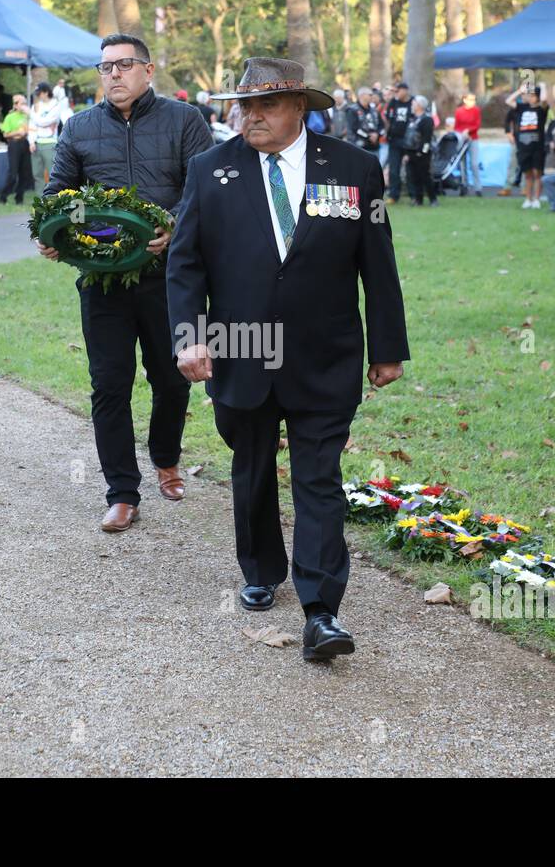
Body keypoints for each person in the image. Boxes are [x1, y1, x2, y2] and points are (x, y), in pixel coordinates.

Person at [167, 56, 409, 662]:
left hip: (325, 353)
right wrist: (189, 336)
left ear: (300, 107)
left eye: (266, 105)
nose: (251, 116)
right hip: (240, 349)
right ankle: (260, 568)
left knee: (319, 478)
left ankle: (321, 611)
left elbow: (378, 262)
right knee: (251, 468)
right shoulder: (210, 169)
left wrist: (387, 347)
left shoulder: (355, 169)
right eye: (244, 106)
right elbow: (186, 263)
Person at [39, 33, 213, 532]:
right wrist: (56, 233)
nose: (113, 74)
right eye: (105, 67)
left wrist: (173, 226)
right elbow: (59, 194)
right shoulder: (79, 127)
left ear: (148, 70)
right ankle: (121, 492)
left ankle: (166, 458)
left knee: (172, 379)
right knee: (109, 386)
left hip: (171, 279)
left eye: (124, 64)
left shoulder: (185, 120)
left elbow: (205, 190)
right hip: (104, 281)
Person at [507, 84, 548, 208]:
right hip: (523, 147)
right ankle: (528, 199)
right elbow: (508, 101)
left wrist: (543, 87)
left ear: (537, 97)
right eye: (529, 95)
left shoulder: (541, 109)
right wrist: (520, 91)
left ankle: (536, 199)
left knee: (537, 173)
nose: (530, 98)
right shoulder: (522, 107)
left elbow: (544, 100)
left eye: (533, 96)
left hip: (537, 147)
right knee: (527, 174)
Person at [28, 82, 63, 190]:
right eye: (37, 94)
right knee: (37, 174)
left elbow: (44, 122)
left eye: (39, 93)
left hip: (50, 143)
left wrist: (31, 114)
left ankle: (55, 196)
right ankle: (40, 197)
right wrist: (31, 142)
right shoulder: (36, 106)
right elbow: (32, 125)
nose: (38, 96)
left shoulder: (56, 105)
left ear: (46, 92)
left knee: (53, 173)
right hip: (36, 143)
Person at [0, 92, 31, 204]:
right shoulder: (10, 117)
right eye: (22, 103)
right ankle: (3, 196)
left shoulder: (27, 116)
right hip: (14, 144)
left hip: (25, 143)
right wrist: (17, 132)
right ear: (16, 105)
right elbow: (6, 134)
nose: (24, 106)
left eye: (25, 103)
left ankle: (19, 198)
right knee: (13, 173)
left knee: (24, 173)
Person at [404, 95, 438, 206]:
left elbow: (427, 138)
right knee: (414, 177)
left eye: (413, 103)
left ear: (419, 105)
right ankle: (418, 199)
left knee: (425, 176)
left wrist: (422, 152)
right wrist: (406, 153)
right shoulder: (412, 119)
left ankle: (433, 199)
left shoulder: (427, 119)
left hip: (422, 153)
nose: (412, 105)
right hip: (411, 152)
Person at [383, 81, 414, 202]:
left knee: (410, 169)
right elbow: (387, 119)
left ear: (405, 90)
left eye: (398, 91)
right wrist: (386, 132)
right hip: (394, 140)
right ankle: (393, 195)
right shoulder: (393, 102)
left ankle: (414, 195)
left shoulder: (413, 102)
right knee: (393, 169)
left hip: (408, 142)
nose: (396, 93)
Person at [452, 92, 482, 195]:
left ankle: (478, 188)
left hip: (473, 138)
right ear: (465, 100)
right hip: (462, 138)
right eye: (470, 99)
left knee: (474, 164)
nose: (473, 102)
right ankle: (464, 185)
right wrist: (462, 133)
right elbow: (457, 126)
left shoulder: (476, 110)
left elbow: (477, 125)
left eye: (474, 100)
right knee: (462, 163)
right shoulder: (459, 111)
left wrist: (468, 131)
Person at [349, 87, 384, 155]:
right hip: (360, 147)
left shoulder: (374, 110)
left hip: (375, 147)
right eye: (370, 95)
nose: (372, 96)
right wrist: (369, 136)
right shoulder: (352, 110)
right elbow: (354, 128)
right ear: (362, 95)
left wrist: (377, 134)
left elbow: (382, 126)